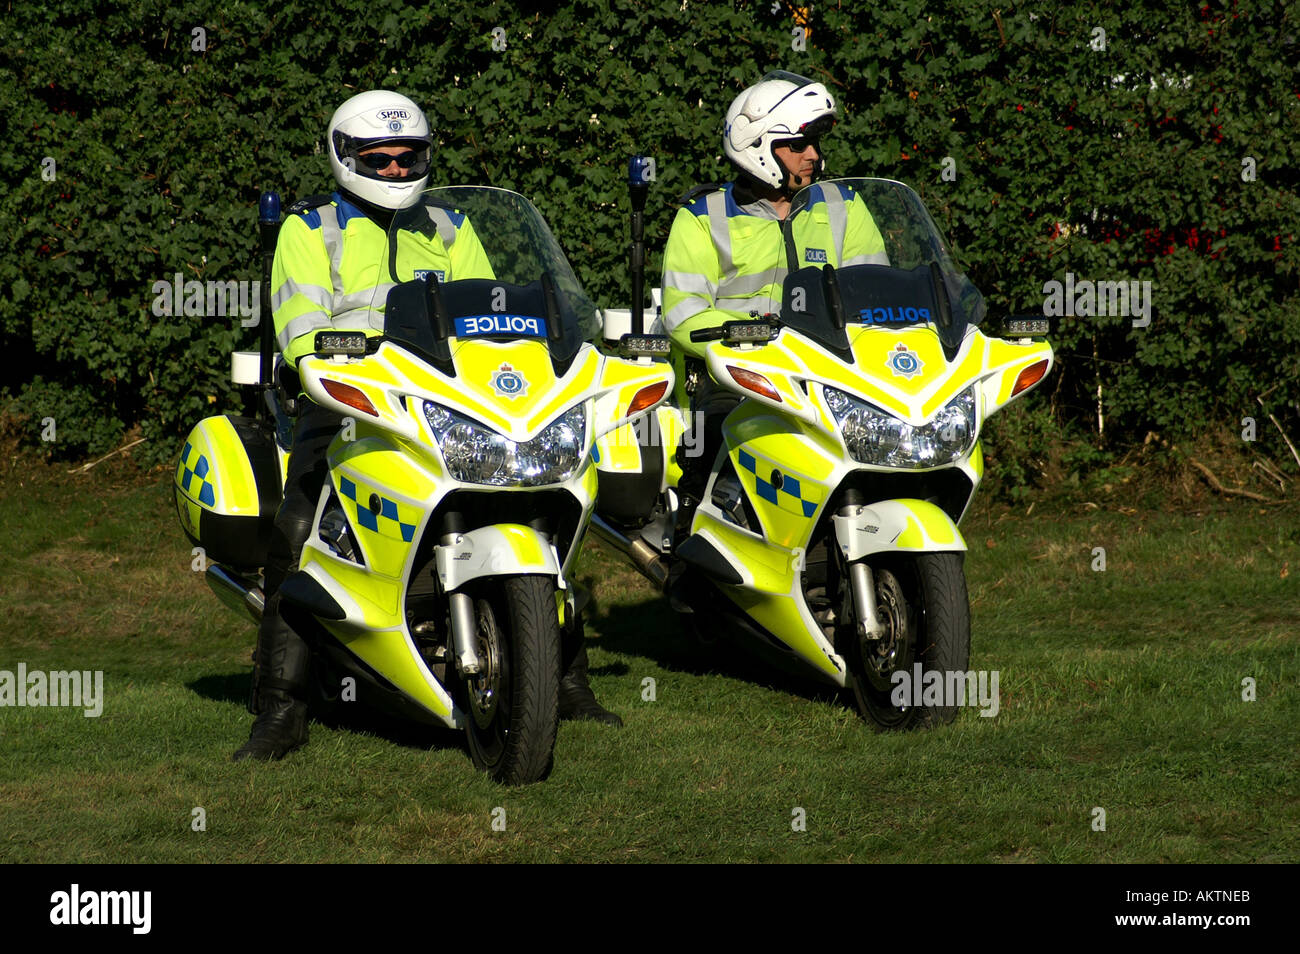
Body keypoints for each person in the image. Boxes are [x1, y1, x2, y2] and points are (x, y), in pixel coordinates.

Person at [236, 90, 617, 762]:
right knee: (299, 528)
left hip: (450, 404)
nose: (392, 169)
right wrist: (337, 358)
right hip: (346, 404)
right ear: (345, 157)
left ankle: (568, 681)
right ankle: (280, 711)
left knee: (539, 507)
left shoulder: (449, 226)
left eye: (406, 156)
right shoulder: (309, 228)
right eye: (377, 158)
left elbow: (495, 317)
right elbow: (299, 332)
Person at [660, 71, 889, 520]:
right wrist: (743, 342)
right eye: (798, 145)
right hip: (736, 377)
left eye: (815, 144)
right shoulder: (701, 216)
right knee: (712, 444)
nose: (813, 156)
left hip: (832, 373)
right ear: (758, 147)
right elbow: (683, 313)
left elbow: (876, 293)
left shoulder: (844, 205)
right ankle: (690, 538)